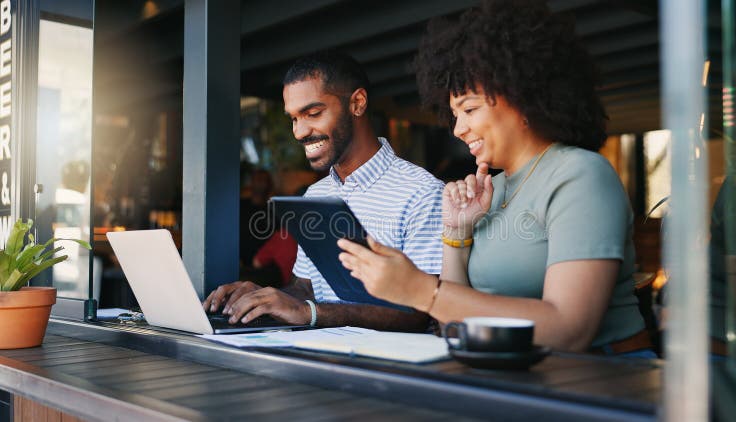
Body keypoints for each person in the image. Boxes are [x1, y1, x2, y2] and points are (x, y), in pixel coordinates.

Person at [338, 0, 653, 356]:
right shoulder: (491, 190)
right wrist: (456, 235)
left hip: (604, 378)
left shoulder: (580, 174)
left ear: (523, 95)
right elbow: (451, 323)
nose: (458, 129)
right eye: (454, 114)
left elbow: (569, 330)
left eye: (469, 109)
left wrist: (421, 291)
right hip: (518, 377)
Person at [203, 51, 444, 331]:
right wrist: (260, 296)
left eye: (313, 113)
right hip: (318, 360)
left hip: (387, 369)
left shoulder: (423, 193)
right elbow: (306, 290)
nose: (299, 132)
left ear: (357, 103)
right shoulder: (315, 194)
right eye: (294, 118)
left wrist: (312, 313)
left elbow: (420, 312)